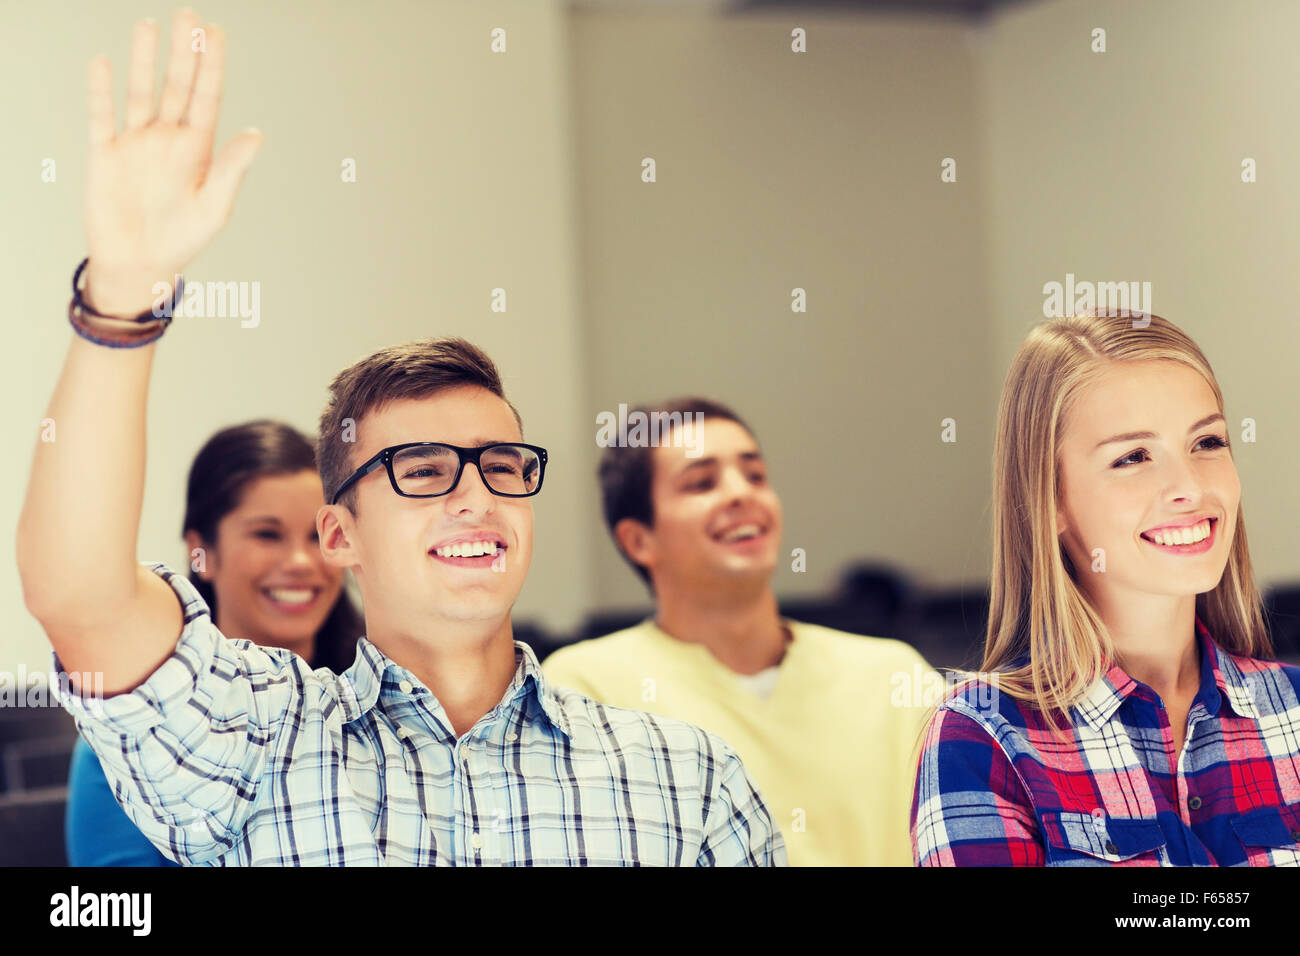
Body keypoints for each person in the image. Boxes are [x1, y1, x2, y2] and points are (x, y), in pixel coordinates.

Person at [17, 10, 783, 866]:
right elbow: (80, 598)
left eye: (501, 467)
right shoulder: (254, 746)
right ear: (339, 535)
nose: (475, 494)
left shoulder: (686, 778)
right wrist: (123, 290)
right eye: (421, 469)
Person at [911, 310, 1300, 866]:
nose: (1189, 485)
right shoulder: (982, 741)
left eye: (1207, 442)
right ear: (1049, 502)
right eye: (1133, 457)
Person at [542, 397, 939, 865]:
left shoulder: (894, 675)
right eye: (701, 483)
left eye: (755, 476)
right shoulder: (583, 689)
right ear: (639, 540)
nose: (740, 494)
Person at [65, 421, 363, 866]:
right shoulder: (141, 728)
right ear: (202, 550)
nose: (301, 562)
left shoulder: (380, 698)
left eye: (318, 537)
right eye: (267, 534)